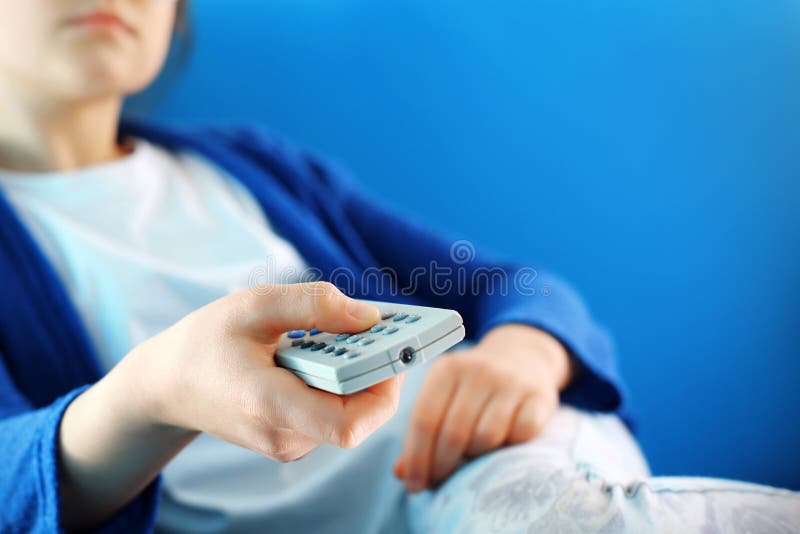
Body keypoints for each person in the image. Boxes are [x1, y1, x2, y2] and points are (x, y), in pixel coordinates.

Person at [0, 1, 796, 533]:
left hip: (491, 462)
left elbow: (507, 284)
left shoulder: (257, 166)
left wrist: (523, 352)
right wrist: (150, 395)